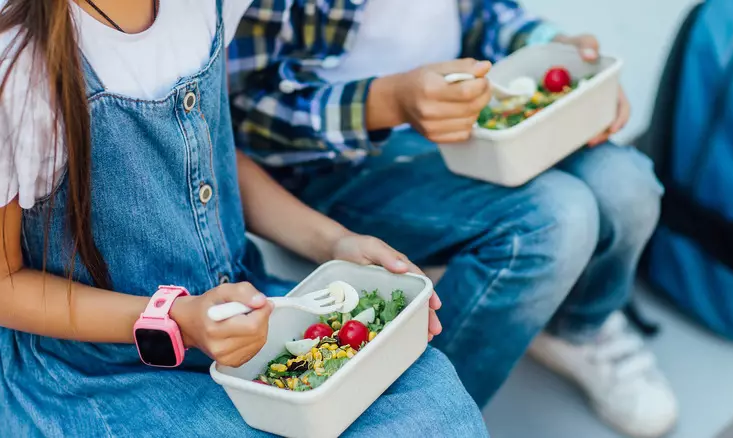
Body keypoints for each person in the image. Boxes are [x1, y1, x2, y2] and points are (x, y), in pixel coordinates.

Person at [0, 1, 490, 437]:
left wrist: (335, 243)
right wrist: (178, 322)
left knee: (437, 405)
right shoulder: (17, 63)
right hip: (96, 371)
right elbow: (6, 284)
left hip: (249, 313)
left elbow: (210, 156)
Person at [228, 1, 678, 437]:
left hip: (473, 121)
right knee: (555, 218)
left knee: (626, 184)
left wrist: (554, 48)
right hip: (338, 162)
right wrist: (387, 102)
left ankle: (578, 329)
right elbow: (241, 117)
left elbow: (483, 12)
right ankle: (415, 420)